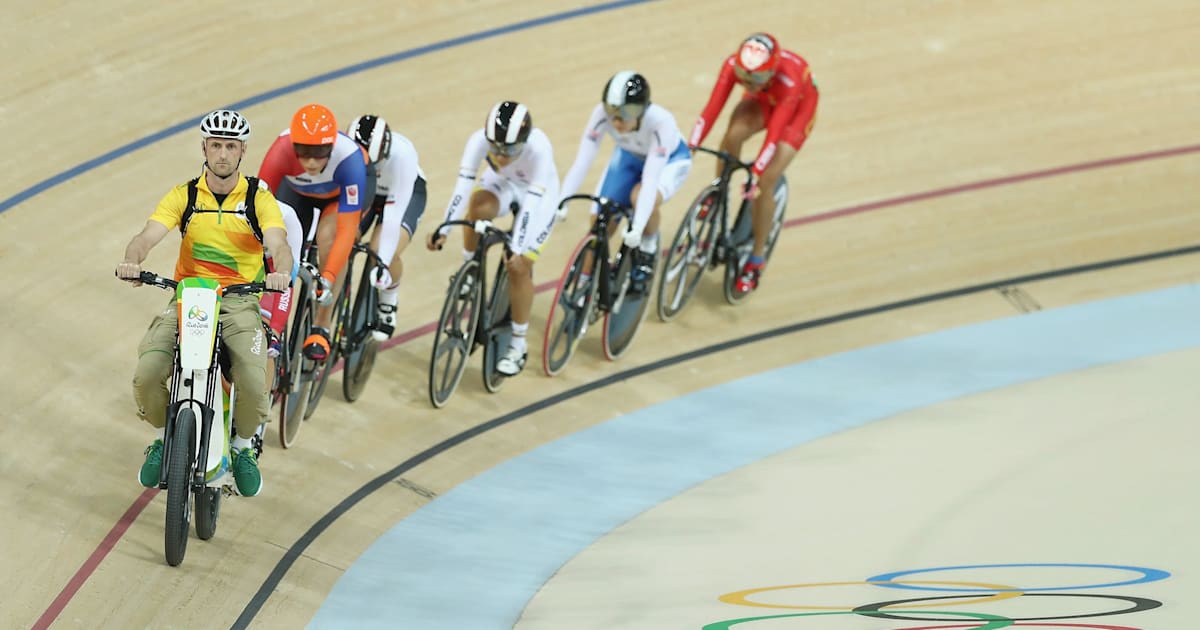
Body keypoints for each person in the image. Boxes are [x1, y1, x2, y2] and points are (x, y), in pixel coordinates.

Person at [116, 109, 292, 497]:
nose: (223, 155)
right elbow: (147, 235)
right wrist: (133, 260)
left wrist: (280, 270)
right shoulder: (186, 195)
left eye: (231, 146)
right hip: (189, 298)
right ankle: (164, 438)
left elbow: (278, 242)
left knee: (251, 376)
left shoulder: (257, 198)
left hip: (237, 302)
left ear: (243, 150)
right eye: (216, 146)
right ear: (204, 148)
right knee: (147, 372)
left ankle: (244, 447)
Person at [426, 101, 559, 376]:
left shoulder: (539, 150)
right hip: (505, 183)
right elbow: (462, 188)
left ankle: (518, 345)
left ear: (523, 141)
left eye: (509, 150)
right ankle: (471, 268)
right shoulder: (479, 142)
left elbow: (531, 208)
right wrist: (444, 228)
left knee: (519, 267)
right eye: (495, 148)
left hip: (539, 194)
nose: (500, 155)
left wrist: (518, 248)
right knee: (478, 207)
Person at [689, 32, 819, 293]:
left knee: (765, 181)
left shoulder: (790, 79)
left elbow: (774, 135)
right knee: (733, 136)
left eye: (757, 77)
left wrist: (756, 173)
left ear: (770, 72)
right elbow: (712, 109)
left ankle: (756, 259)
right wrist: (690, 145)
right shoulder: (740, 70)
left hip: (794, 111)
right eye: (744, 75)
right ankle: (720, 193)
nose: (748, 82)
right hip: (763, 100)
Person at [557, 71, 692, 293]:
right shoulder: (601, 114)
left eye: (625, 114)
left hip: (669, 161)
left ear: (642, 110)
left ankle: (648, 248)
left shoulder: (661, 122)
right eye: (612, 113)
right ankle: (584, 284)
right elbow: (582, 162)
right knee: (600, 221)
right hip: (629, 157)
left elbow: (650, 178)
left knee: (639, 197)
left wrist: (637, 228)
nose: (617, 121)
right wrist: (563, 201)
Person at [257, 103, 370, 361]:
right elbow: (258, 208)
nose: (309, 161)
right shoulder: (281, 149)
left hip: (338, 197)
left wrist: (328, 276)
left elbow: (348, 229)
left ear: (331, 146)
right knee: (275, 240)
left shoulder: (349, 158)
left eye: (318, 153)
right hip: (298, 192)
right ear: (293, 146)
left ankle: (322, 324)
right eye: (303, 152)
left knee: (330, 237)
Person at [346, 114, 428, 340]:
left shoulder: (403, 155)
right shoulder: (343, 145)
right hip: (367, 191)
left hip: (403, 194)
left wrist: (381, 258)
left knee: (382, 250)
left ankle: (388, 303)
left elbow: (393, 215)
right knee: (343, 239)